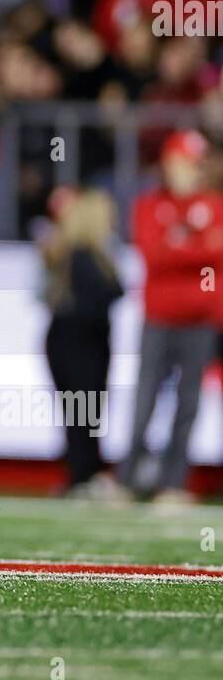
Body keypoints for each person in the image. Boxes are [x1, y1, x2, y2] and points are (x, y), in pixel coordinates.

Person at [119, 131, 223, 503]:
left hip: (200, 320)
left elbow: (214, 252)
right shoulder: (149, 205)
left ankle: (173, 483)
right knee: (145, 399)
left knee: (188, 403)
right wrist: (197, 245)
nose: (190, 171)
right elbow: (155, 255)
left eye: (195, 164)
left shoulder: (214, 204)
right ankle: (128, 480)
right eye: (183, 162)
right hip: (160, 317)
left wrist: (182, 242)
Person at [41, 189, 123, 497]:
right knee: (82, 409)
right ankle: (83, 474)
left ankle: (83, 473)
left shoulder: (83, 255)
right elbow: (104, 297)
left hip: (79, 341)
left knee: (82, 409)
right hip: (79, 343)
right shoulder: (83, 257)